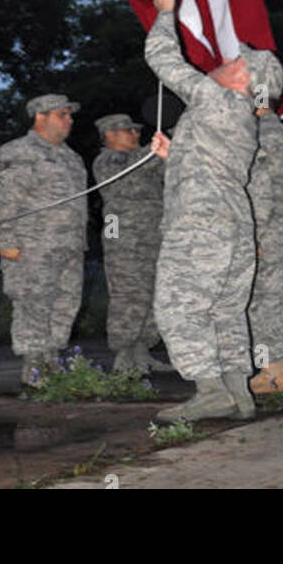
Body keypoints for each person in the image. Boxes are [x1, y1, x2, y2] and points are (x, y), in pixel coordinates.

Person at [145, 0, 283, 423]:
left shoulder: (217, 99)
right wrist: (176, 156)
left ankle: (209, 390)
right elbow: (211, 168)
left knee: (178, 304)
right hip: (232, 225)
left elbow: (163, 61)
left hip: (202, 225)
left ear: (245, 80)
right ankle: (237, 392)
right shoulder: (239, 118)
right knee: (225, 311)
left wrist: (166, 14)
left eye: (236, 61)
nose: (227, 60)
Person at [0, 93, 87, 388]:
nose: (69, 120)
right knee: (34, 305)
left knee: (65, 305)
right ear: (40, 117)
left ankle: (52, 361)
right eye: (62, 115)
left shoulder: (71, 156)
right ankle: (34, 368)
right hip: (32, 247)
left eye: (69, 115)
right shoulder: (18, 151)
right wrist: (6, 242)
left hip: (69, 247)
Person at [92, 112, 171, 374]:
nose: (136, 134)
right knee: (128, 294)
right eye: (129, 131)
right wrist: (157, 147)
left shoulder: (146, 159)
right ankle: (125, 354)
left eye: (137, 130)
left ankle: (142, 351)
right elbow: (133, 169)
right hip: (124, 240)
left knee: (152, 295)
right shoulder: (108, 161)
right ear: (110, 135)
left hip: (153, 237)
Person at [246, 69, 283, 394]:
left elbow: (259, 188)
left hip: (265, 230)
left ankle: (268, 372)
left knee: (261, 303)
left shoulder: (256, 136)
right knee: (280, 300)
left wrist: (253, 233)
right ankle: (281, 371)